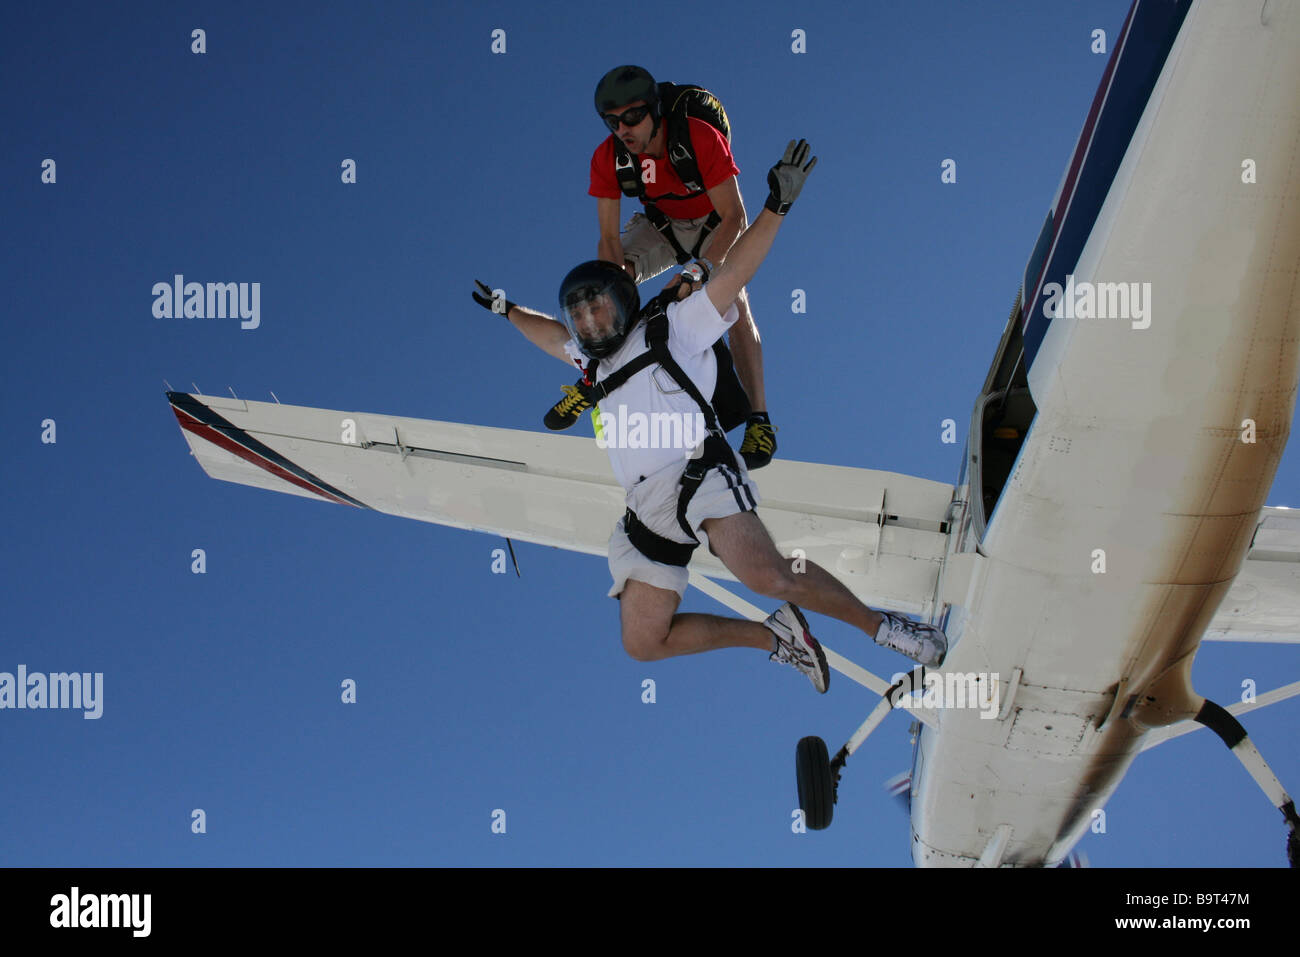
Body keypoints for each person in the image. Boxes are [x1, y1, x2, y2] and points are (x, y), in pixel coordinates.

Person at [473, 140, 948, 692]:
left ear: (623, 299)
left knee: (766, 573)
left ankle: (883, 627)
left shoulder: (672, 327)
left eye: (595, 305)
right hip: (644, 506)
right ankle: (777, 637)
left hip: (698, 470)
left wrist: (776, 208)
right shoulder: (591, 363)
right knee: (643, 643)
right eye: (577, 313)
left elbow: (735, 271)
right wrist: (508, 311)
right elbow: (549, 335)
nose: (586, 320)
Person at [588, 64, 778, 469]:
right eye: (612, 122)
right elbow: (608, 242)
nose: (623, 129)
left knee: (733, 301)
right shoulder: (609, 157)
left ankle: (759, 420)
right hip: (661, 227)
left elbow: (734, 218)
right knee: (606, 285)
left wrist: (702, 272)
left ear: (655, 110)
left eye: (633, 117)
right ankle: (605, 379)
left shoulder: (697, 136)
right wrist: (611, 306)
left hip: (715, 224)